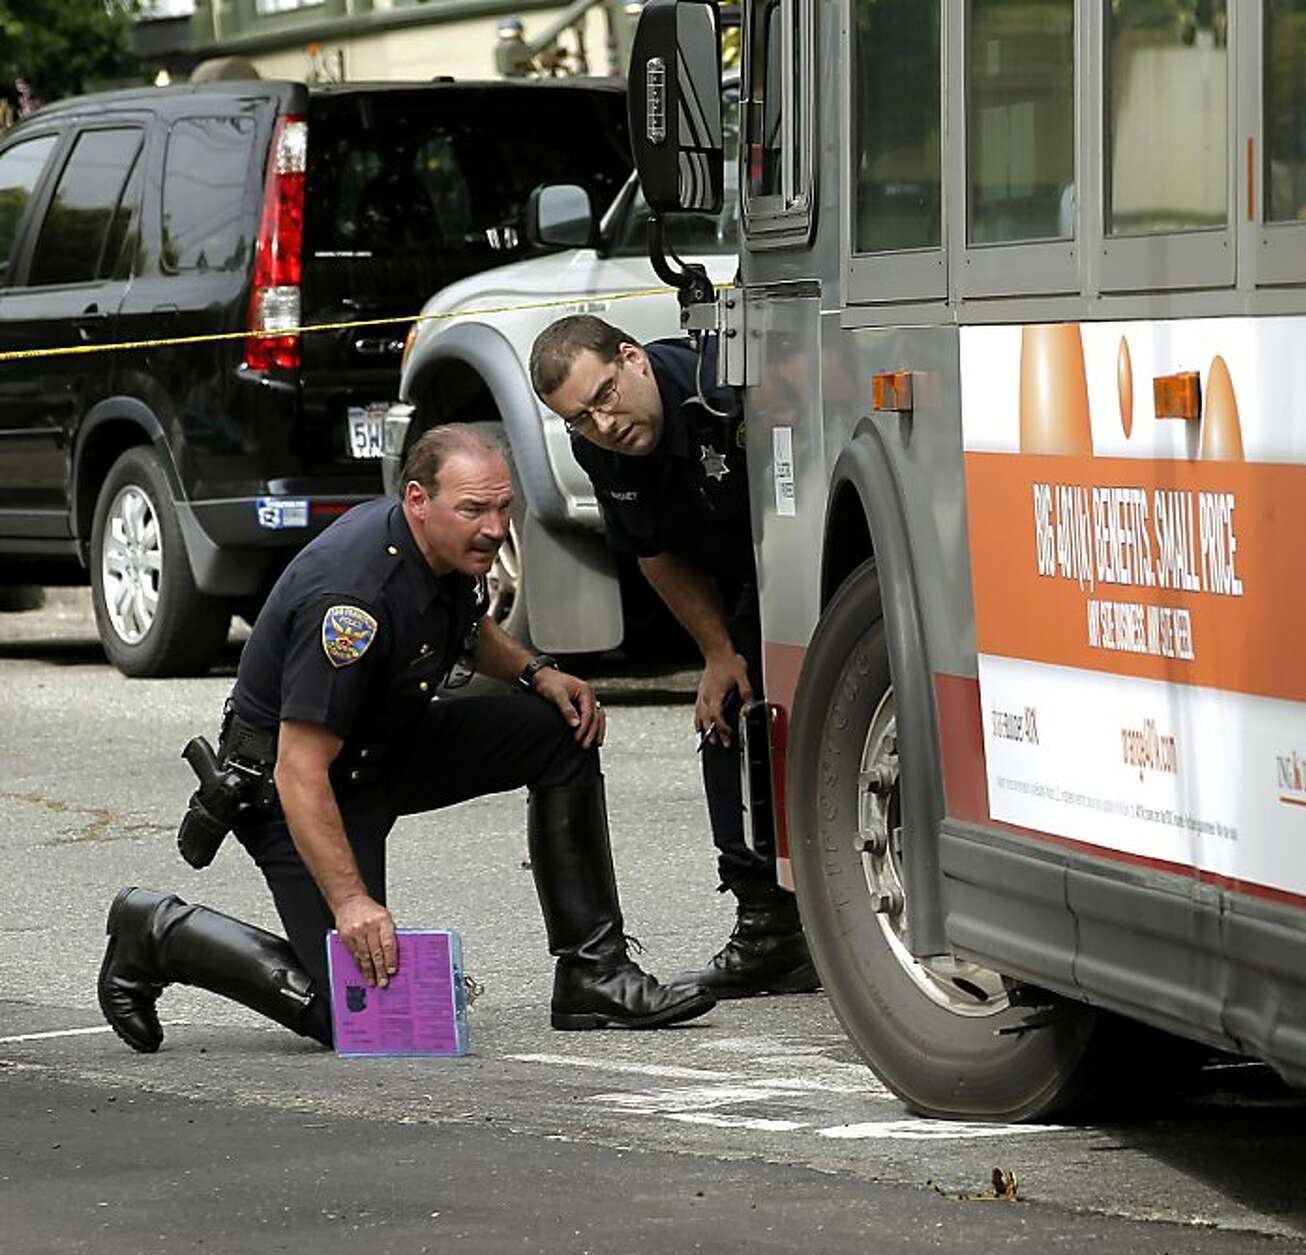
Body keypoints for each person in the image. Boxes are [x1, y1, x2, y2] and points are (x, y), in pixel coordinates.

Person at [98, 425, 715, 1052]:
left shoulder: (444, 548)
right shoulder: (351, 601)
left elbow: (465, 627)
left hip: (386, 747)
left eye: (503, 507)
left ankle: (594, 972)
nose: (495, 528)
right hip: (301, 792)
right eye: (474, 509)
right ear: (418, 500)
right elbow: (299, 770)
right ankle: (157, 932)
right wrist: (352, 904)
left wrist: (537, 672)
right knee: (358, 1016)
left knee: (559, 729)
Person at [527, 315, 817, 1000]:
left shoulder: (728, 387)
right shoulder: (600, 449)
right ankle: (770, 930)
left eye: (604, 396)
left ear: (632, 359)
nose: (603, 424)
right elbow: (653, 549)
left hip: (823, 548)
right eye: (580, 419)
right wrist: (717, 652)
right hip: (750, 577)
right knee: (728, 710)